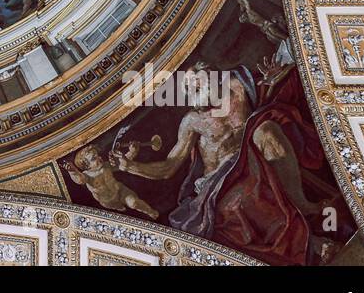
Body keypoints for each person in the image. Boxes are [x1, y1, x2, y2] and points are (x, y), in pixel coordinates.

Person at [113, 62, 336, 264]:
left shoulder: (239, 88)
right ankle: (308, 244)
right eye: (187, 88)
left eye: (194, 81)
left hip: (252, 159)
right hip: (218, 182)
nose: (191, 88)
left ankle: (301, 204)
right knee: (238, 201)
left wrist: (278, 77)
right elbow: (170, 165)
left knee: (266, 129)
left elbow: (275, 88)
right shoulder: (193, 121)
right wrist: (130, 166)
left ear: (209, 74)